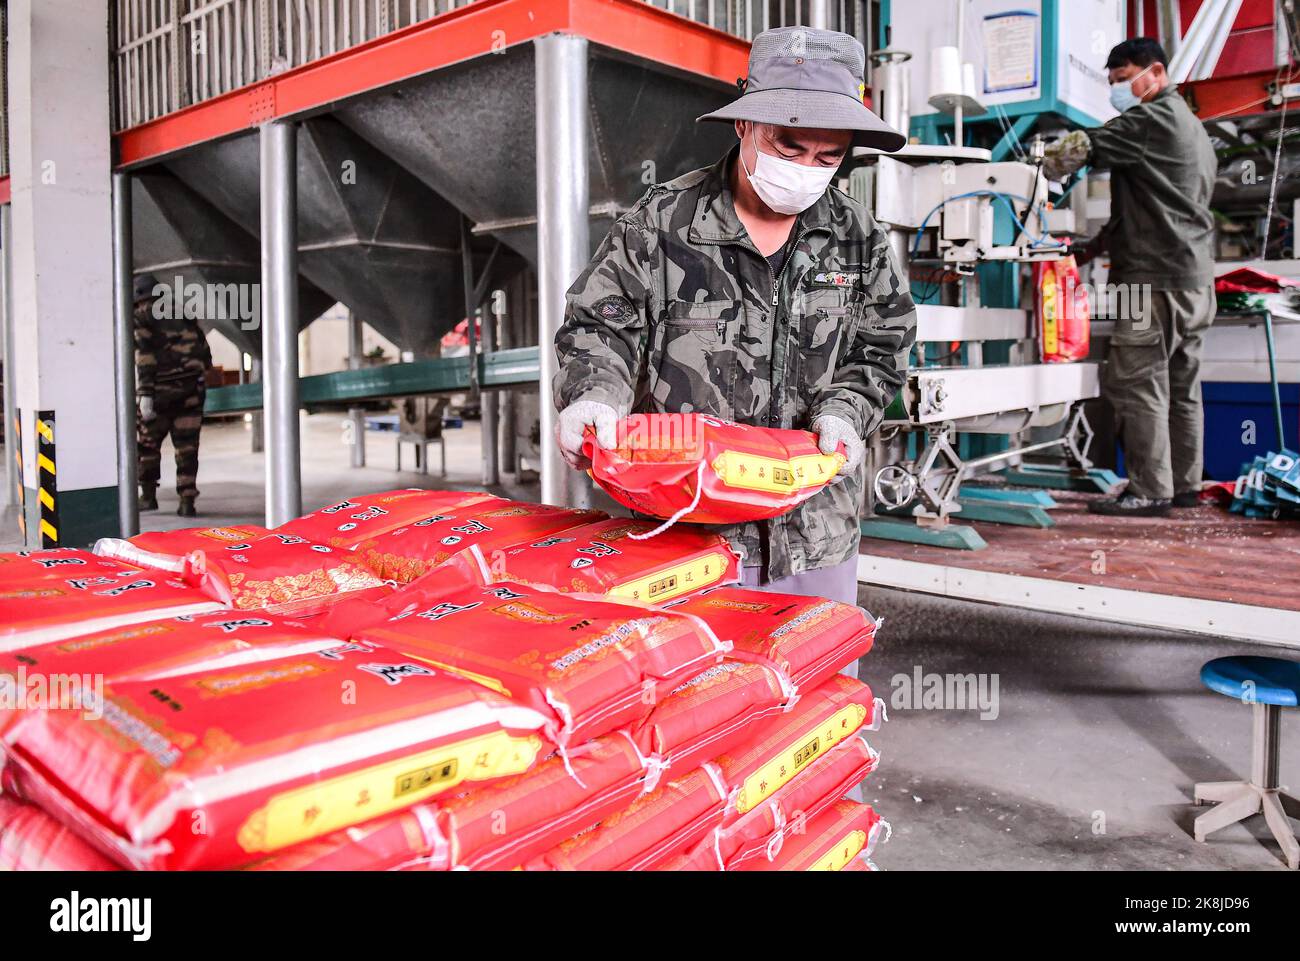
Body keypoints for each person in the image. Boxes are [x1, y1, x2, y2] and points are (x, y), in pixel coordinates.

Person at [552, 26, 917, 615]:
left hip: (815, 538)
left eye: (829, 156)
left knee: (811, 696)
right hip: (685, 536)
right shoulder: (662, 224)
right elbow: (601, 327)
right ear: (745, 123)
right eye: (789, 148)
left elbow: (881, 347)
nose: (806, 169)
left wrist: (847, 413)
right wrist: (595, 396)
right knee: (696, 696)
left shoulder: (857, 238)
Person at [1043, 37, 1218, 518]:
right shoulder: (1192, 128)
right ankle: (1184, 486)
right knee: (1182, 387)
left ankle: (1149, 490)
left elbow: (1078, 149)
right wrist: (1091, 247)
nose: (1117, 91)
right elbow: (1155, 208)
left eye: (1123, 80)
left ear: (1155, 73)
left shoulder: (1148, 118)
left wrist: (1031, 168)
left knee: (1137, 379)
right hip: (1196, 282)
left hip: (1150, 284)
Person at [134, 273, 212, 517]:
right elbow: (205, 356)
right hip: (191, 393)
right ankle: (187, 502)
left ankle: (148, 497)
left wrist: (145, 393)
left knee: (147, 445)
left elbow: (144, 356)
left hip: (159, 394)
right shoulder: (184, 312)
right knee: (187, 448)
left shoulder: (142, 315)